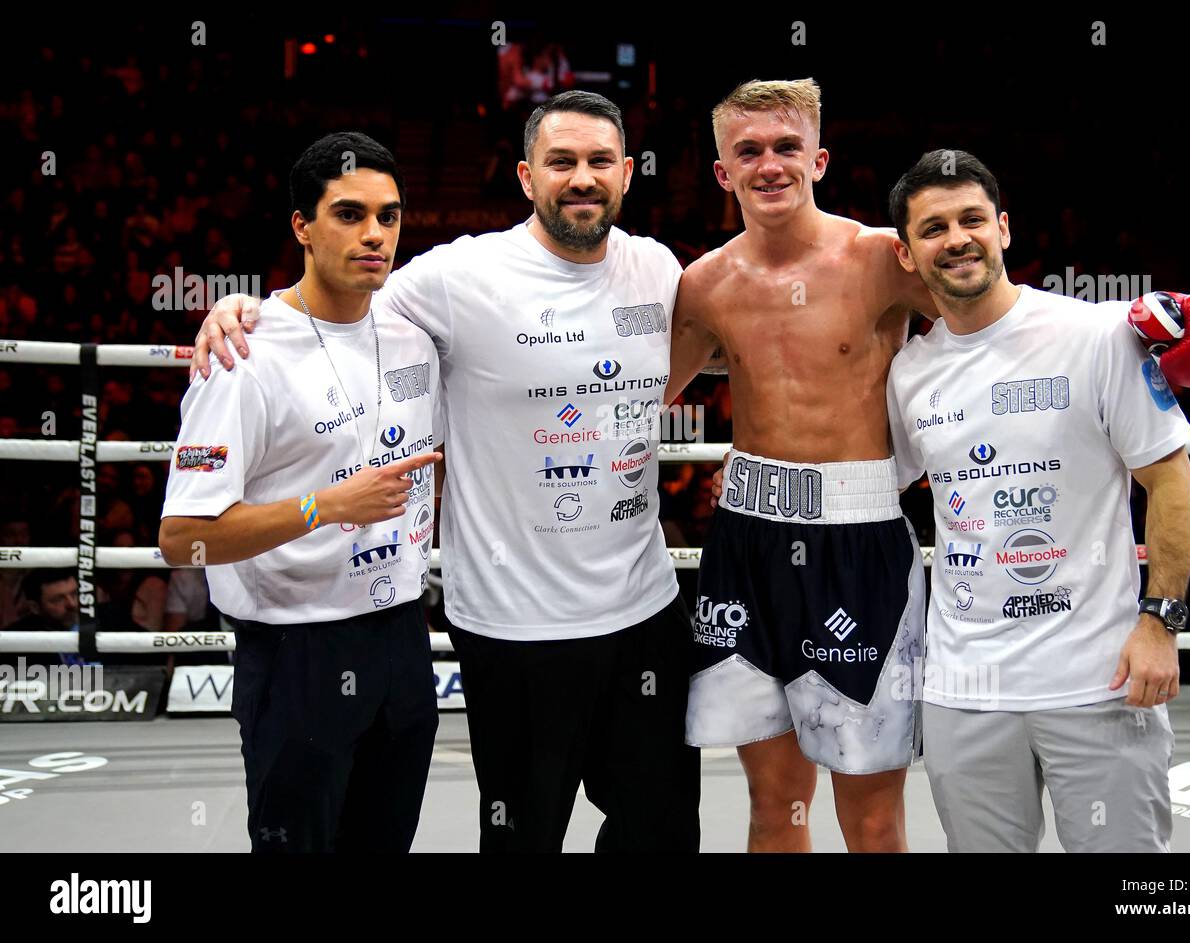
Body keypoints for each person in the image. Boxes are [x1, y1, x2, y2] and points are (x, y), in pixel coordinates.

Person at [188, 92, 701, 853]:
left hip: (645, 613)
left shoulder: (656, 267)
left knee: (661, 834)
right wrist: (241, 311)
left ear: (627, 172)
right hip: (514, 626)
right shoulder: (460, 276)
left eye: (599, 162)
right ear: (527, 176)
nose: (582, 178)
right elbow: (329, 300)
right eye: (561, 162)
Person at [883, 149, 1190, 852]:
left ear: (1003, 228)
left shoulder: (1096, 336)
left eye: (972, 218)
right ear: (908, 253)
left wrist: (1161, 622)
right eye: (934, 227)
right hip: (966, 685)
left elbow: (1170, 479)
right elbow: (867, 477)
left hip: (1099, 677)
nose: (957, 238)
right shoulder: (909, 374)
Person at [665, 79, 937, 852]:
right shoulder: (705, 283)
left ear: (819, 158)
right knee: (774, 804)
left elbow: (994, 309)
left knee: (873, 815)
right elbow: (635, 394)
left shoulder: (881, 258)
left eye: (787, 147)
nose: (769, 165)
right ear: (723, 171)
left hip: (859, 542)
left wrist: (1116, 333)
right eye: (747, 150)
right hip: (748, 540)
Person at [159, 132, 443, 853]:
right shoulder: (243, 354)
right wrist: (326, 506)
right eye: (349, 214)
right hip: (296, 652)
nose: (374, 234)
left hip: (404, 639)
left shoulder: (419, 333)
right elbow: (182, 536)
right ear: (302, 226)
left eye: (389, 215)